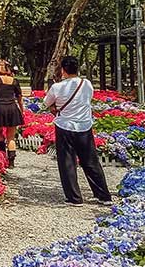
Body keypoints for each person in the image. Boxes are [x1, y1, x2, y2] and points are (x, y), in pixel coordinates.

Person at [42, 55, 112, 206]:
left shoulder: (57, 87)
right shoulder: (86, 84)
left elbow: (46, 102)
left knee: (67, 161)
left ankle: (74, 197)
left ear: (63, 70)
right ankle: (103, 195)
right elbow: (87, 99)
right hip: (84, 126)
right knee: (91, 161)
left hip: (65, 126)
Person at [0, 59, 25, 167]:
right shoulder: (14, 81)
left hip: (0, 108)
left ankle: (2, 156)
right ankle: (11, 161)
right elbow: (19, 98)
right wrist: (22, 110)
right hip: (12, 108)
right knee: (11, 137)